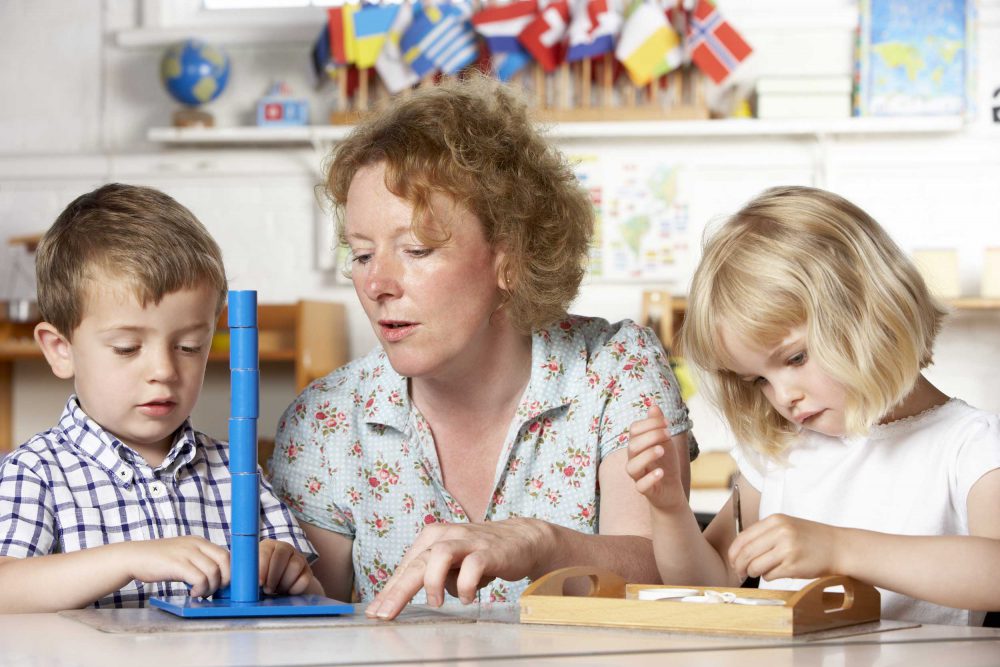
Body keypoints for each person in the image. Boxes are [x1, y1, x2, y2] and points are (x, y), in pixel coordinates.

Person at [269, 75, 698, 620]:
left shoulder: (615, 369)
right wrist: (272, 576)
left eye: (417, 249)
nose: (378, 284)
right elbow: (309, 622)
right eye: (360, 255)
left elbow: (669, 574)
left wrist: (541, 544)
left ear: (511, 257)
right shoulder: (325, 419)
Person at [626, 185, 1000, 625]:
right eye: (759, 380)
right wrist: (670, 509)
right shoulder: (781, 450)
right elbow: (709, 583)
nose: (784, 396)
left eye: (796, 358)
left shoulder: (968, 446)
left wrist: (839, 548)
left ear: (869, 310)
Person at [0, 184, 322, 612]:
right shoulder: (36, 472)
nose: (164, 371)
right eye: (127, 348)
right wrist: (129, 558)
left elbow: (312, 591)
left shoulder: (236, 471)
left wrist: (287, 570)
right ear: (61, 350)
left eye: (188, 346)